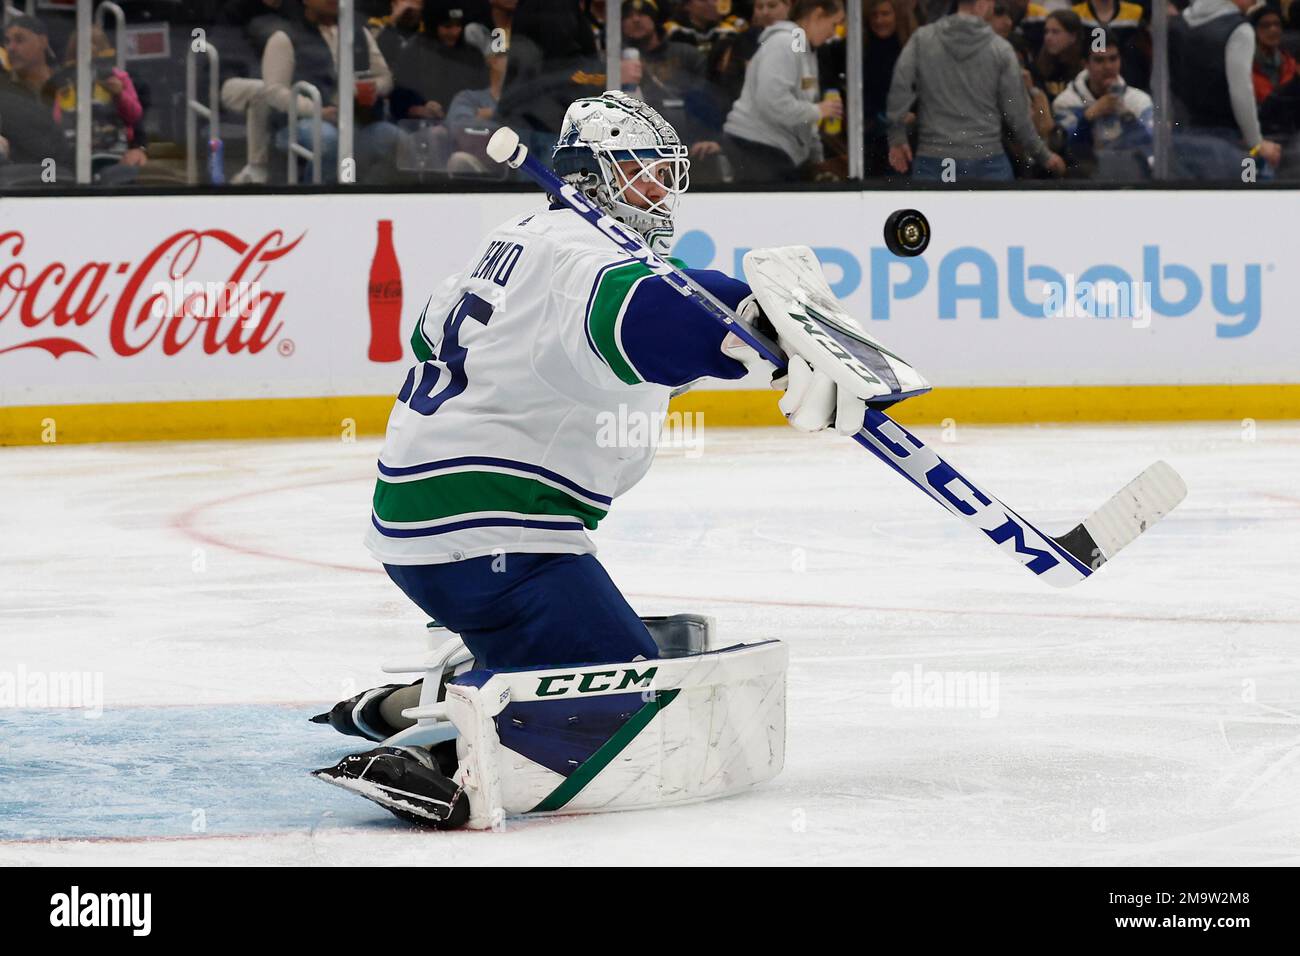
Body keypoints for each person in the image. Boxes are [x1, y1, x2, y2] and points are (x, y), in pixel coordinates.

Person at [313, 90, 843, 827]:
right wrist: (746, 330)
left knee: (601, 658)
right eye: (644, 174)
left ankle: (407, 705)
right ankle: (441, 758)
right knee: (627, 701)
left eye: (666, 174)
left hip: (440, 519)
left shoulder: (526, 237)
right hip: (495, 533)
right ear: (594, 176)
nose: (661, 192)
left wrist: (760, 327)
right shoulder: (584, 258)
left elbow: (648, 323)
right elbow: (651, 317)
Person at [886, 0, 1066, 181]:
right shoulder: (1001, 49)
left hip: (934, 158)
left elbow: (900, 88)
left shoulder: (922, 39)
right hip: (986, 160)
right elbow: (1017, 114)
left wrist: (896, 138)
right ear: (982, 4)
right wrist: (1044, 155)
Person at [261, 0, 402, 183]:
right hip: (299, 123)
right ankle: (317, 203)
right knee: (328, 140)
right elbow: (274, 92)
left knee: (396, 139)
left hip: (355, 121)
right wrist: (317, 111)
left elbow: (385, 77)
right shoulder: (284, 37)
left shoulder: (359, 33)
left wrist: (373, 88)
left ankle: (365, 199)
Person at [722, 0, 846, 182]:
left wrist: (816, 158)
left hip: (775, 147)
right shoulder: (785, 43)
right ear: (818, 14)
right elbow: (773, 101)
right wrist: (818, 110)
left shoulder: (805, 49)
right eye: (834, 24)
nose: (833, 33)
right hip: (757, 145)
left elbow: (803, 108)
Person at [1170, 0, 1282, 178]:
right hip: (1225, 140)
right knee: (1263, 174)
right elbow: (1241, 92)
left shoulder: (1177, 24)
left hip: (1180, 138)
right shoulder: (1239, 29)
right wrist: (1257, 144)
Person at [1052, 26, 1153, 178]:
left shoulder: (1139, 100)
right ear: (1085, 64)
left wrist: (1125, 114)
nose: (1108, 67)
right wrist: (1088, 118)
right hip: (1085, 182)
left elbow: (1150, 146)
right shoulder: (1066, 102)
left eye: (1113, 59)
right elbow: (1070, 153)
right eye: (1099, 60)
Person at [1032, 8, 1083, 100]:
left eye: (1055, 32)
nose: (1048, 37)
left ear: (1073, 36)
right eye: (1046, 32)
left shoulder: (1084, 70)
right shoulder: (1037, 67)